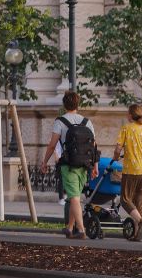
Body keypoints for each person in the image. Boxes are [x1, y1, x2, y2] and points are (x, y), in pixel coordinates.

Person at [40, 90, 100, 239]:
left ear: (64, 105)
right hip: (84, 165)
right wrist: (95, 166)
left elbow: (52, 145)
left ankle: (81, 230)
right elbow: (94, 146)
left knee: (74, 198)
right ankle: (69, 228)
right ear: (78, 104)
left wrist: (44, 161)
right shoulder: (87, 122)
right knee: (75, 196)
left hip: (69, 165)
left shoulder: (60, 121)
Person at [114, 102, 142, 238]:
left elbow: (118, 149)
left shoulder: (126, 128)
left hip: (132, 170)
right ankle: (138, 234)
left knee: (125, 199)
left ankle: (141, 221)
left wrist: (115, 158)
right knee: (140, 202)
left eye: (128, 113)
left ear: (131, 115)